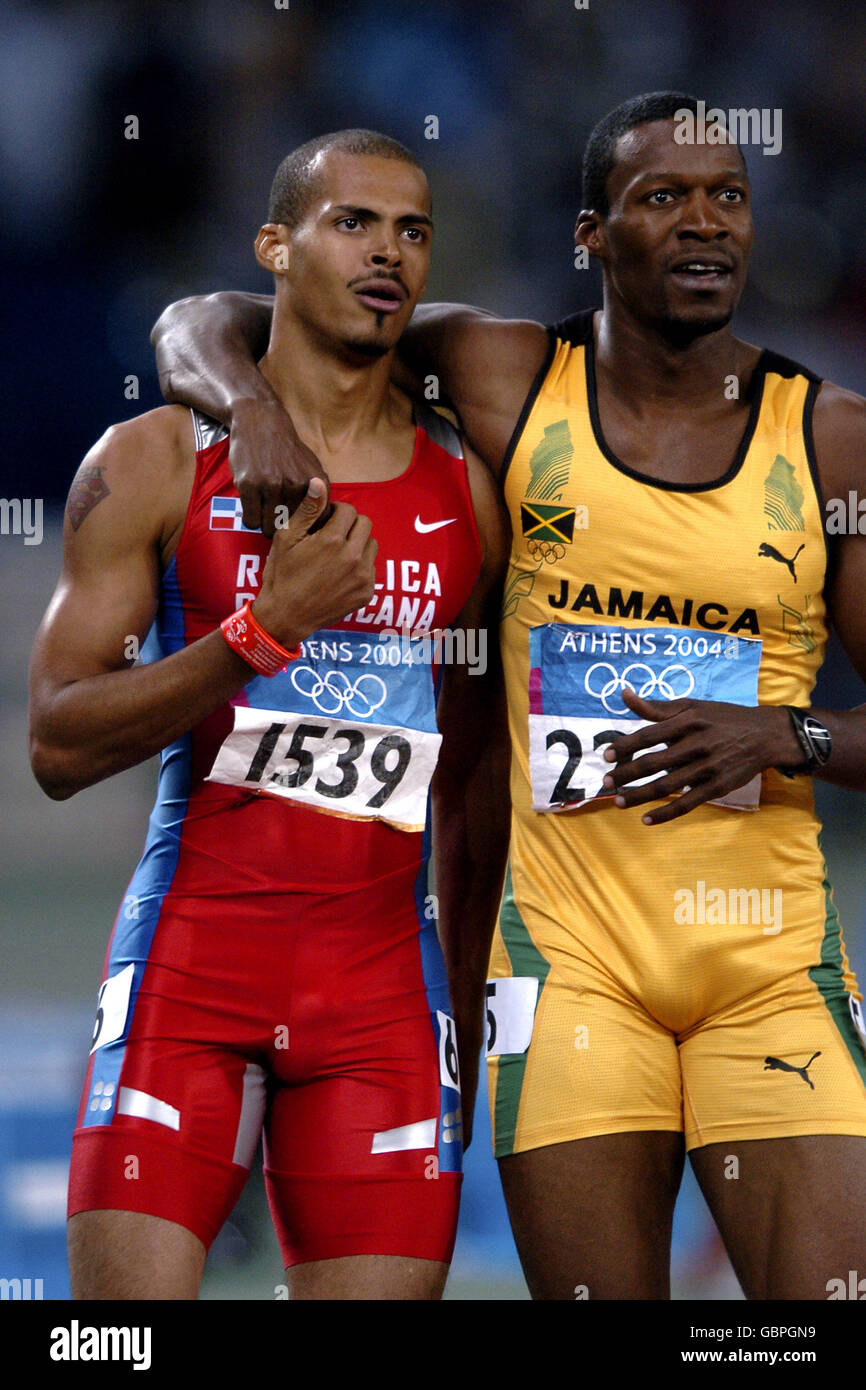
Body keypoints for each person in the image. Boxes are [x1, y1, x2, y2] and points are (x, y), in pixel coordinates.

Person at [150, 92, 866, 1301]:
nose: (705, 224)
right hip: (566, 970)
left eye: (728, 199)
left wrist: (788, 732)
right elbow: (206, 318)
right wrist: (252, 409)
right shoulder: (502, 374)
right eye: (663, 198)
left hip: (765, 962)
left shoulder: (830, 439)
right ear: (591, 233)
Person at [29, 129, 510, 1301]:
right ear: (274, 250)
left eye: (412, 230)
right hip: (188, 971)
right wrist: (256, 635)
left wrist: (463, 997)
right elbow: (57, 743)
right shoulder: (150, 461)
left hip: (384, 999)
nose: (388, 252)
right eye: (352, 222)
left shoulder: (467, 491)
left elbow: (470, 772)